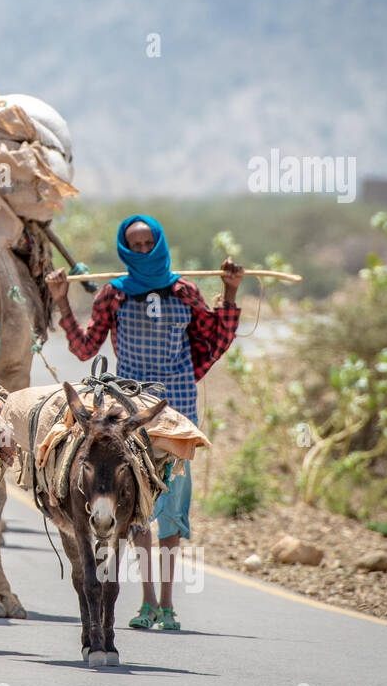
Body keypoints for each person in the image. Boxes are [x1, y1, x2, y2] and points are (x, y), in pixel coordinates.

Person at [46, 215, 243, 631]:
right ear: (124, 250)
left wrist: (230, 292)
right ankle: (147, 601)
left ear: (159, 243)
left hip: (176, 414)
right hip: (130, 414)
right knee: (136, 508)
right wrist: (62, 300)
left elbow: (216, 340)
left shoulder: (185, 292)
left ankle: (168, 606)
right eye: (133, 246)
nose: (141, 251)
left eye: (147, 243)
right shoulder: (112, 296)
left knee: (170, 510)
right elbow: (84, 348)